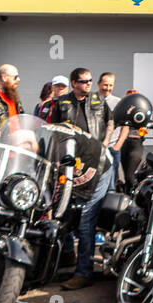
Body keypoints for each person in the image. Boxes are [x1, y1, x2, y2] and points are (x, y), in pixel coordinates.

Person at [51, 68, 115, 290]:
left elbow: (110, 122)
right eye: (84, 81)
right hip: (73, 167)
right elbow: (53, 131)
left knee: (88, 218)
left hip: (98, 165)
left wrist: (105, 144)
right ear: (73, 83)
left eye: (90, 80)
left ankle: (85, 272)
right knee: (64, 213)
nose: (89, 84)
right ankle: (68, 255)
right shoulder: (61, 102)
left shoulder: (98, 99)